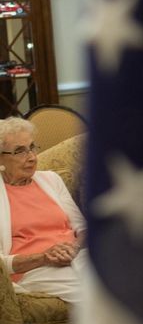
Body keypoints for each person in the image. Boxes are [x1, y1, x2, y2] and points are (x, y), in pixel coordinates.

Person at [0, 117, 87, 305]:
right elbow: (1, 263)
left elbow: (83, 228)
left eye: (32, 147)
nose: (31, 157)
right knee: (94, 298)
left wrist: (73, 248)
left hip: (77, 257)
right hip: (35, 271)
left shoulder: (51, 179)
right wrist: (44, 257)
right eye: (19, 151)